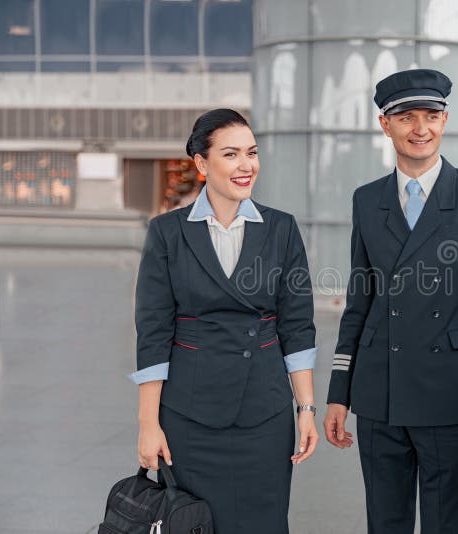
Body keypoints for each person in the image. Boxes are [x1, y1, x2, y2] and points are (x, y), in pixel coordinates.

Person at [323, 69, 458, 534]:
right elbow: (359, 301)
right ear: (385, 124)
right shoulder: (366, 200)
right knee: (385, 522)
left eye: (432, 115)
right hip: (380, 389)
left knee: (447, 524)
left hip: (449, 389)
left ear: (445, 120)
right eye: (407, 117)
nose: (421, 128)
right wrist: (339, 393)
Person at [130, 109, 319, 533]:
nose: (246, 165)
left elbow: (298, 325)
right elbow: (154, 333)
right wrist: (148, 424)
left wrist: (305, 408)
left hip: (265, 414)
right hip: (190, 416)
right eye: (231, 154)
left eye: (251, 153)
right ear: (202, 164)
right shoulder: (167, 232)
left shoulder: (282, 228)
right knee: (192, 523)